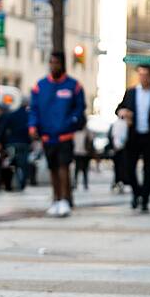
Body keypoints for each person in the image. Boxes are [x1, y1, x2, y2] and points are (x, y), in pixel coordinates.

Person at [28, 50, 86, 218]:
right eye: (51, 63)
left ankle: (65, 200)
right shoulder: (40, 86)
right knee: (53, 168)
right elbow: (34, 109)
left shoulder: (73, 85)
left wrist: (71, 122)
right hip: (47, 135)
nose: (54, 66)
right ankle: (56, 198)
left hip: (65, 135)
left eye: (57, 63)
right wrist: (33, 126)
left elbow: (79, 108)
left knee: (63, 167)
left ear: (62, 64)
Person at [117, 64, 150, 213]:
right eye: (140, 74)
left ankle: (144, 200)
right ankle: (137, 193)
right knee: (129, 169)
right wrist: (123, 113)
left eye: (145, 74)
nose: (143, 77)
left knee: (148, 170)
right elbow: (118, 109)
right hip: (133, 136)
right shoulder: (131, 92)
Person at [0, 97, 31, 191]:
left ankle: (10, 183)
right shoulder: (28, 115)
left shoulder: (12, 115)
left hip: (12, 142)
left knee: (11, 163)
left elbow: (2, 129)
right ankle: (21, 183)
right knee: (23, 164)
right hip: (24, 142)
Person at [109, 107, 131, 192]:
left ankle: (121, 181)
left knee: (122, 167)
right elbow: (113, 136)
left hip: (122, 149)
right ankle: (118, 181)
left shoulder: (123, 123)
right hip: (118, 149)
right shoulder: (117, 124)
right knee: (118, 167)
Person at [72, 123, 91, 191]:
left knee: (84, 170)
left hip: (84, 153)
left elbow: (90, 140)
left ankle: (85, 184)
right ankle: (76, 183)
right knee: (77, 170)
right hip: (78, 153)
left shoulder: (86, 131)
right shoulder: (76, 132)